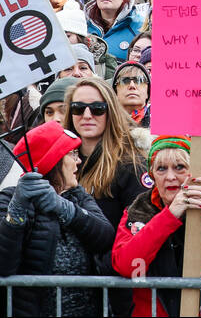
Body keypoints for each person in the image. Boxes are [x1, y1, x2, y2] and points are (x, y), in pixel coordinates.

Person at [111, 136, 201, 317]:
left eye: (179, 167)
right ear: (152, 175)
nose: (170, 176)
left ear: (193, 171)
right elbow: (128, 267)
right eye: (161, 169)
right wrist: (169, 216)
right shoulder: (137, 211)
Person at [0, 120, 116, 317]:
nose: (78, 161)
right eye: (72, 154)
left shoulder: (78, 195)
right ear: (54, 161)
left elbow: (105, 237)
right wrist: (18, 208)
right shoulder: (9, 198)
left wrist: (66, 209)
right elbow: (0, 264)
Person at [62, 77, 148, 235]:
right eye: (78, 108)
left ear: (111, 112)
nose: (87, 115)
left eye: (97, 108)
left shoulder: (132, 165)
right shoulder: (60, 163)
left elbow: (139, 232)